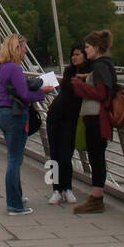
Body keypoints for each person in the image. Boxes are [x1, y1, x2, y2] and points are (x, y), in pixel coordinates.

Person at [0, 33, 52, 215]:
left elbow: (14, 90)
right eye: (24, 48)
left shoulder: (0, 67)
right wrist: (43, 92)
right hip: (15, 115)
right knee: (14, 160)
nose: (26, 52)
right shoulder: (14, 69)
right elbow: (25, 96)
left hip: (2, 113)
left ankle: (16, 196)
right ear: (16, 48)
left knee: (13, 157)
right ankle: (14, 204)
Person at [71, 29, 118, 215]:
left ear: (97, 48)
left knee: (96, 157)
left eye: (88, 47)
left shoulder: (100, 66)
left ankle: (97, 198)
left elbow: (101, 93)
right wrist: (86, 79)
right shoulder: (102, 66)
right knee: (96, 156)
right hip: (97, 118)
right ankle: (96, 196)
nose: (86, 51)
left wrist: (80, 86)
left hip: (97, 118)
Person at [45, 43, 87, 204]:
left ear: (84, 55)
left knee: (66, 154)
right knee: (54, 154)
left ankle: (67, 188)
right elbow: (74, 89)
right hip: (55, 115)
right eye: (73, 54)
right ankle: (56, 190)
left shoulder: (90, 72)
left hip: (71, 118)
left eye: (78, 54)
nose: (74, 57)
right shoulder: (69, 71)